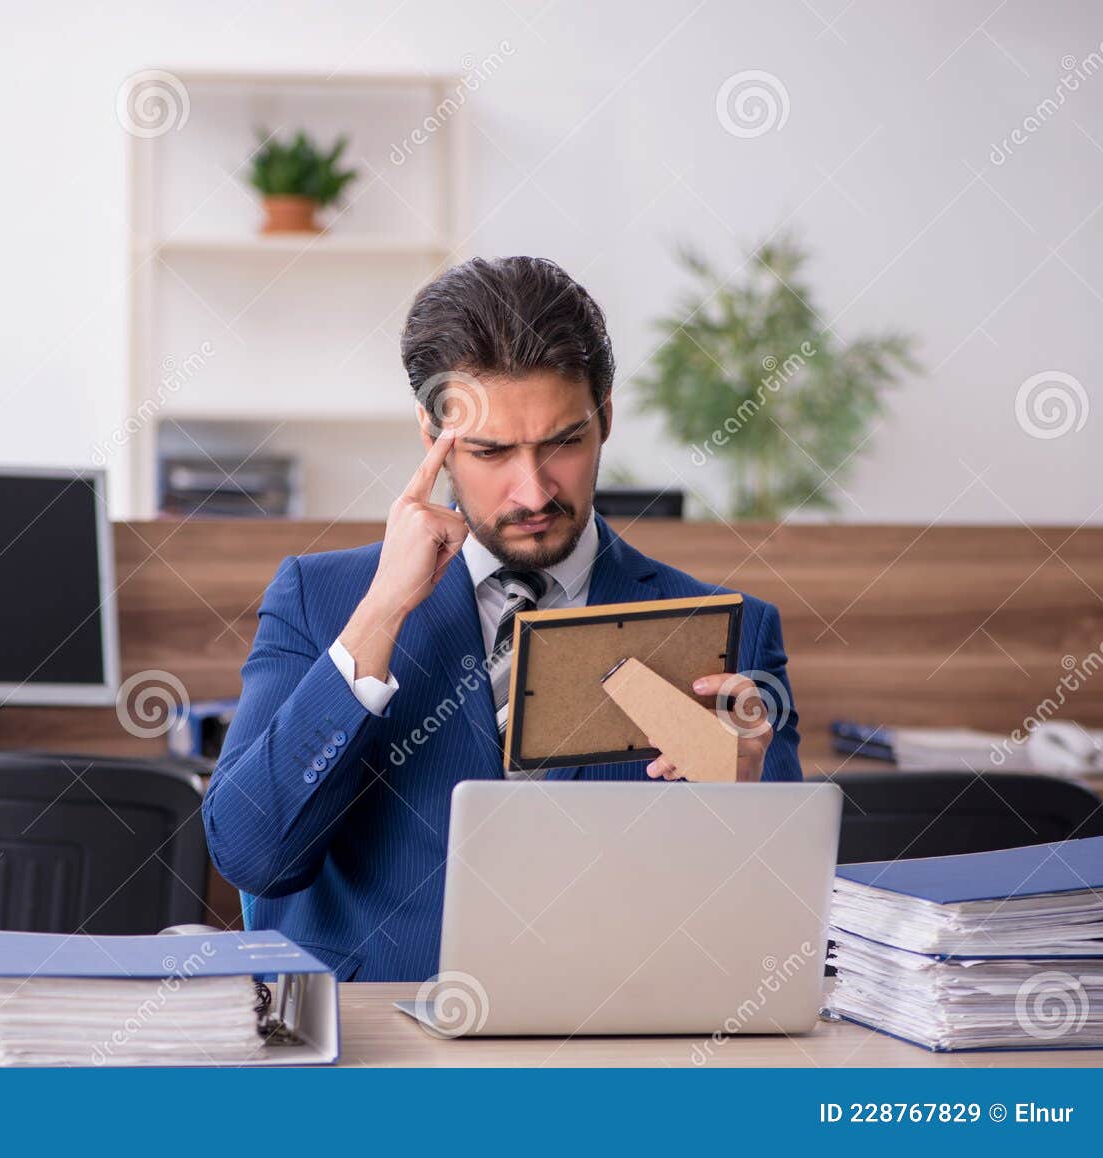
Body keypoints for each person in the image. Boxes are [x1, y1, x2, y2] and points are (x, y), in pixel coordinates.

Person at [202, 256, 801, 982]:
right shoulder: (321, 600)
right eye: (490, 452)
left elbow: (781, 912)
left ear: (605, 418)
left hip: (619, 1049)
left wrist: (751, 793)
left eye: (564, 443)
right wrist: (381, 613)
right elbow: (253, 854)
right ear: (433, 438)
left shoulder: (730, 630)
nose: (534, 489)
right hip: (382, 1051)